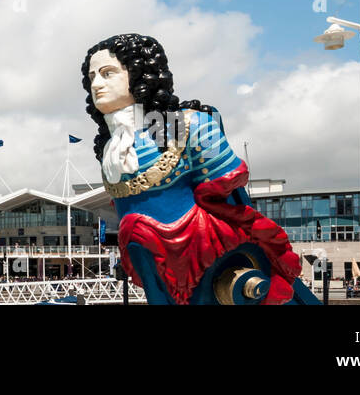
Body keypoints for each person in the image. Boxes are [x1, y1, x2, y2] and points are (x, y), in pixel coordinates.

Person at [81, 33, 320, 305]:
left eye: (107, 73)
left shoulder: (186, 126)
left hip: (206, 252)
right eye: (92, 77)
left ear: (138, 73)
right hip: (146, 256)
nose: (96, 84)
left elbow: (231, 196)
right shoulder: (108, 148)